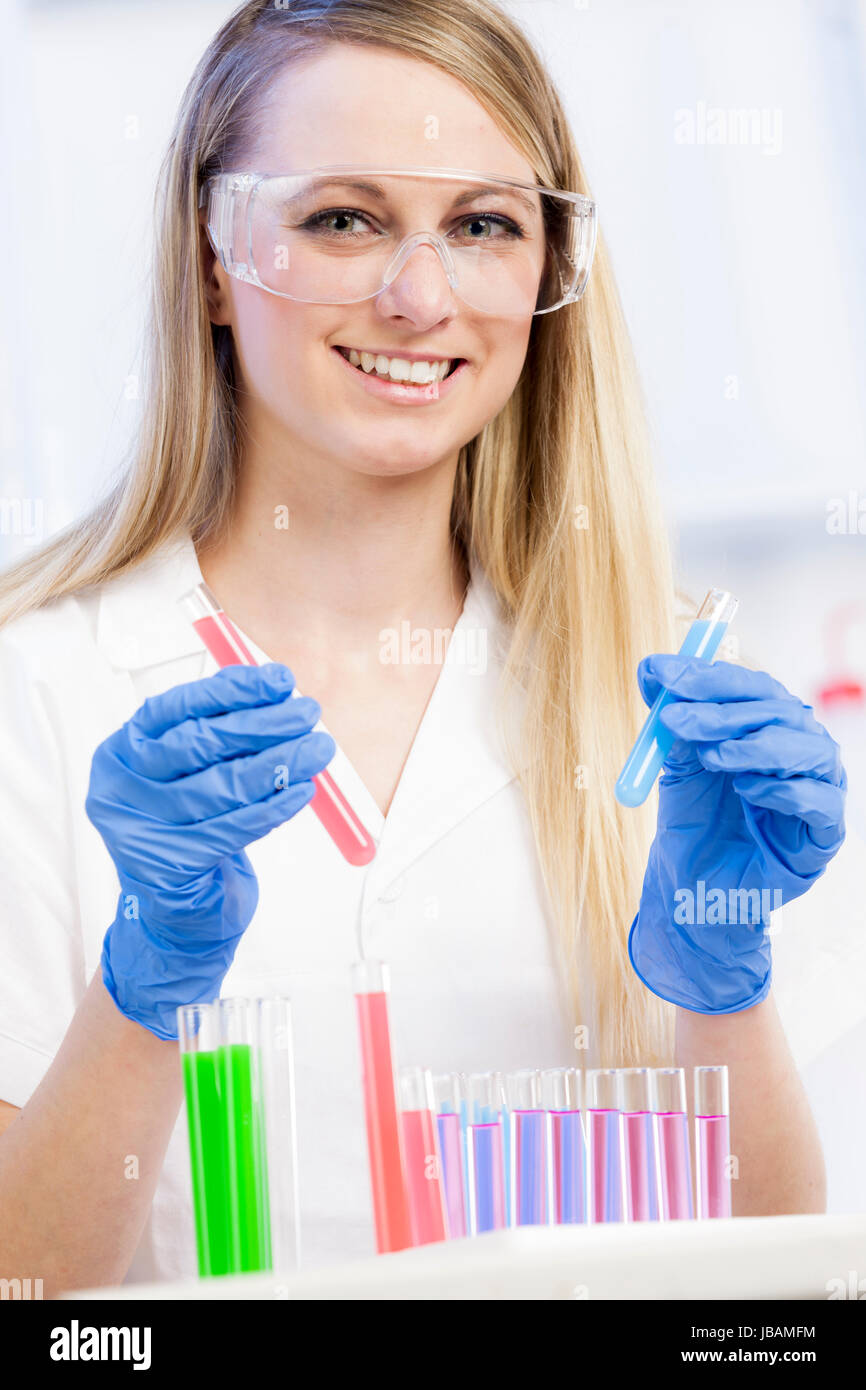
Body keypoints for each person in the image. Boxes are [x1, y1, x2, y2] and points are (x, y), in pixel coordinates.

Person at [0, 0, 846, 1293]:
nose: (417, 295)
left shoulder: (679, 717)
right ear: (212, 260)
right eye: (343, 217)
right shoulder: (36, 696)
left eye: (482, 225)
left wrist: (717, 983)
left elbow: (769, 1315)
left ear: (547, 269)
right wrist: (141, 990)